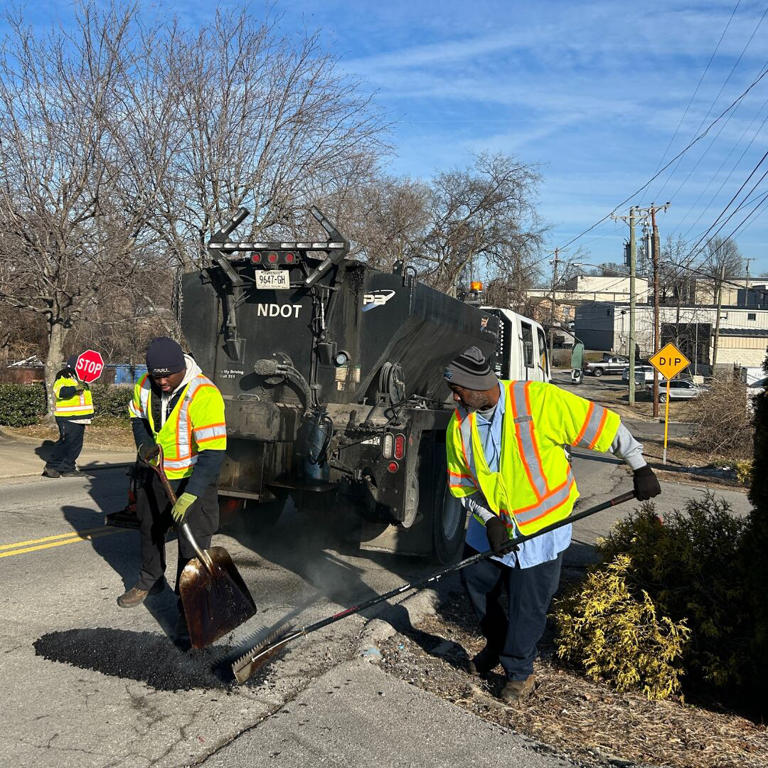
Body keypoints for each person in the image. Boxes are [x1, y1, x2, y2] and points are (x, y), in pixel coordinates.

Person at [444, 346, 661, 705]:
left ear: (482, 385)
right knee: (475, 582)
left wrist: (640, 466)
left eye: (460, 389)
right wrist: (488, 519)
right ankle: (497, 644)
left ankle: (519, 673)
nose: (454, 396)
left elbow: (600, 424)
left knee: (528, 604)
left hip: (541, 526)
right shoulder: (460, 424)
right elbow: (461, 486)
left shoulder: (537, 400)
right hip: (493, 526)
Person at [118, 337, 227, 643]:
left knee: (191, 548)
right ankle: (149, 579)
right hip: (156, 472)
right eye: (157, 375)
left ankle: (187, 610)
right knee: (149, 529)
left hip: (194, 479)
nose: (162, 381)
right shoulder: (144, 385)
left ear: (182, 368)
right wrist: (143, 444)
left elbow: (214, 451)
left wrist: (192, 493)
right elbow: (137, 417)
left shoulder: (204, 393)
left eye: (168, 375)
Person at [42, 355, 94, 478]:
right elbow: (60, 392)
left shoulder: (81, 379)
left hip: (80, 417)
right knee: (66, 442)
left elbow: (84, 399)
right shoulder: (63, 375)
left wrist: (89, 415)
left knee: (76, 444)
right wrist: (75, 388)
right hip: (67, 417)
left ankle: (68, 468)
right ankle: (51, 466)